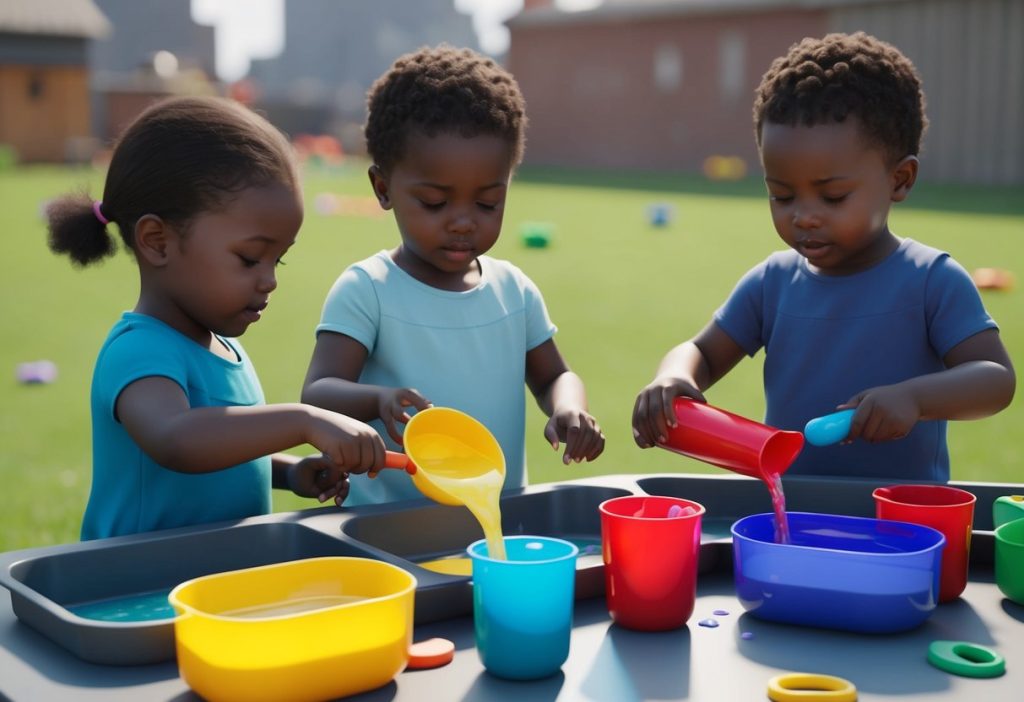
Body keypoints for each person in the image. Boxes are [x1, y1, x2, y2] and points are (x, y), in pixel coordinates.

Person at [632, 32, 1015, 481]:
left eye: (832, 197)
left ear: (900, 179)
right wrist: (674, 376)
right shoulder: (771, 284)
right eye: (782, 195)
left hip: (897, 525)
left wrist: (915, 398)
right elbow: (702, 352)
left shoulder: (931, 280)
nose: (804, 217)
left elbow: (995, 379)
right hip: (791, 520)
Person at [47, 96, 389, 540]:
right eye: (249, 259)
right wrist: (305, 421)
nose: (269, 281)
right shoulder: (138, 349)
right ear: (157, 241)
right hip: (132, 589)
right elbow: (177, 440)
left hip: (210, 582)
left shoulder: (226, 348)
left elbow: (221, 453)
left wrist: (289, 473)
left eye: (277, 261)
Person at [302, 45, 605, 505]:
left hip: (492, 531)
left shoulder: (513, 292)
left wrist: (569, 408)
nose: (463, 221)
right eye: (435, 202)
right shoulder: (368, 291)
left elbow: (554, 376)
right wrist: (376, 400)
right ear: (383, 188)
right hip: (387, 534)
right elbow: (318, 393)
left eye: (487, 203)